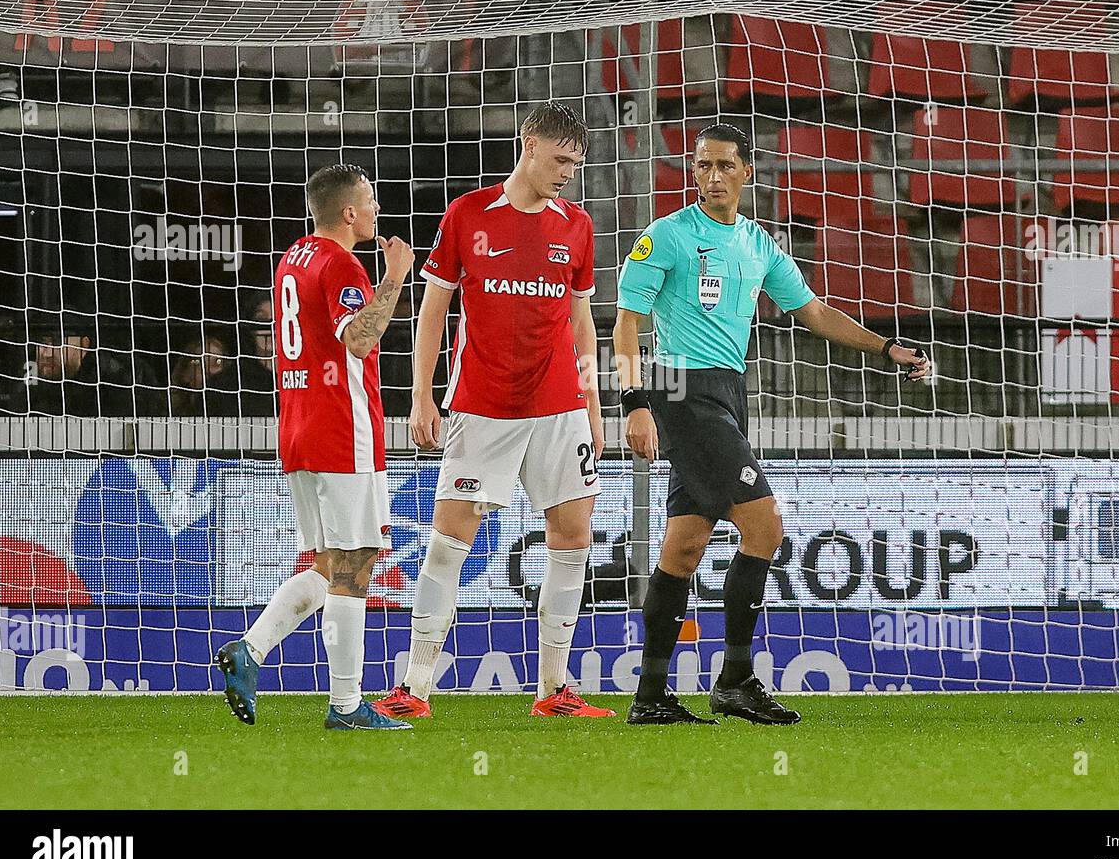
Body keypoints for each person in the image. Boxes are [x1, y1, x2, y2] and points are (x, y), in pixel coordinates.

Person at [613, 123, 931, 725]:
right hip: (681, 391)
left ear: (746, 172)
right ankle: (735, 681)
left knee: (683, 549)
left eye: (725, 166)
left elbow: (813, 312)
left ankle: (650, 696)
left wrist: (885, 346)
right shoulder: (666, 237)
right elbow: (626, 321)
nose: (712, 177)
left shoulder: (759, 245)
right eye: (702, 166)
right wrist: (632, 400)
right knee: (766, 529)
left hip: (728, 392)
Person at [370, 101, 613, 719]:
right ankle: (415, 686)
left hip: (558, 405)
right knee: (449, 540)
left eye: (576, 164)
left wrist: (594, 402)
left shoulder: (576, 225)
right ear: (529, 145)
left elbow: (582, 322)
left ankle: (555, 688)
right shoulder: (467, 215)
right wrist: (422, 394)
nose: (567, 173)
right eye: (560, 160)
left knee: (573, 536)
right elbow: (432, 313)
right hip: (482, 405)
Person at [215, 163, 416, 731]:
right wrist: (395, 277)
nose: (377, 210)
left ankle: (249, 651)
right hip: (339, 431)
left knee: (332, 565)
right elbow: (358, 338)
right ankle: (348, 705)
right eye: (371, 200)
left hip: (298, 428)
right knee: (355, 567)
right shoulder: (341, 263)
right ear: (349, 212)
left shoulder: (293, 258)